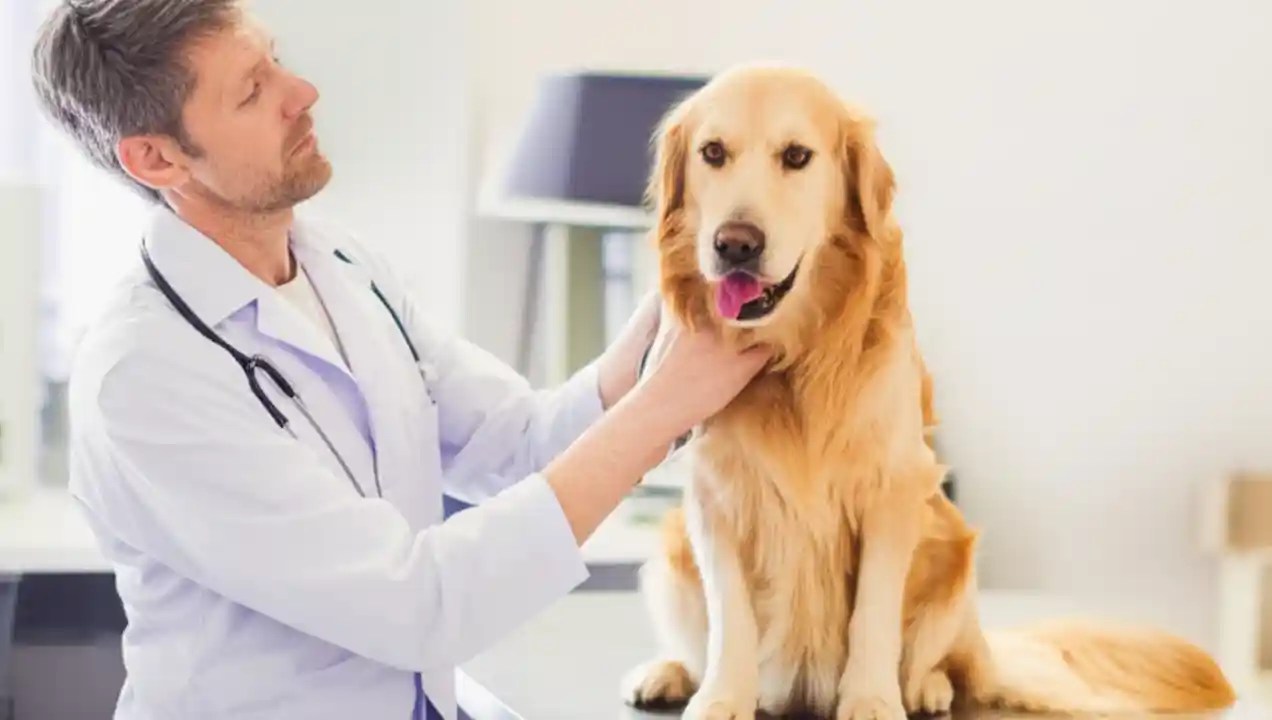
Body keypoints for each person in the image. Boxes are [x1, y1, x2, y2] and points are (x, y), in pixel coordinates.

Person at [30, 1, 770, 718]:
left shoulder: (343, 267)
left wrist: (671, 304)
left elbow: (519, 442)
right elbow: (415, 604)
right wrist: (662, 408)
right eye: (253, 92)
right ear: (156, 158)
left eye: (275, 62)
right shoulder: (146, 376)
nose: (303, 94)